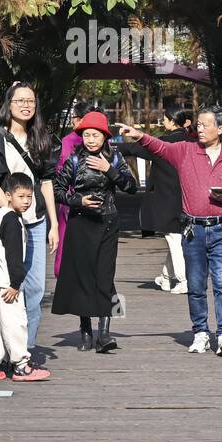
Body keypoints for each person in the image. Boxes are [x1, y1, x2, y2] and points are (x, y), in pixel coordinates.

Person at [116, 106, 222, 357]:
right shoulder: (185, 151)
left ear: (219, 129)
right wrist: (138, 135)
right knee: (197, 285)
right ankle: (200, 332)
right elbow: (159, 147)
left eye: (205, 124)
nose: (199, 128)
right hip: (193, 229)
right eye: (198, 124)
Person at [0, 82, 59, 358]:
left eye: (31, 102)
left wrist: (54, 224)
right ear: (8, 104)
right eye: (20, 100)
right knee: (10, 285)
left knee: (35, 288)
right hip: (9, 225)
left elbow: (46, 181)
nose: (26, 105)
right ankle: (12, 353)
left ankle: (27, 348)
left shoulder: (41, 138)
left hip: (36, 222)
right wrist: (11, 213)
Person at [52, 110, 137, 353]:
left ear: (104, 137)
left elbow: (131, 187)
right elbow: (58, 190)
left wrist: (109, 169)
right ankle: (86, 330)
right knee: (83, 277)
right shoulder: (74, 160)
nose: (90, 140)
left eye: (95, 135)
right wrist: (78, 201)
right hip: (80, 224)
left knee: (105, 276)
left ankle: (105, 333)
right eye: (86, 135)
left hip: (108, 223)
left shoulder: (115, 157)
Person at [0, 173, 51, 382]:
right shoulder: (13, 221)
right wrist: (16, 284)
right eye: (21, 197)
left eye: (29, 197)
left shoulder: (1, 215)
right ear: (8, 195)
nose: (26, 201)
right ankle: (21, 365)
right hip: (7, 283)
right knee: (16, 322)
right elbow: (14, 256)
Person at [120, 107, 193, 294]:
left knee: (174, 238)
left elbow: (134, 149)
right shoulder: (194, 142)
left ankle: (183, 281)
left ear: (171, 122)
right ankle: (166, 278)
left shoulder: (164, 142)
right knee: (174, 237)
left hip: (166, 197)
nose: (163, 123)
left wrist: (110, 146)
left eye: (165, 119)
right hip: (188, 197)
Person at [53, 101, 90, 278]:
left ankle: (64, 277)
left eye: (73, 118)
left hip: (71, 197)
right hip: (95, 197)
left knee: (66, 240)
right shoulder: (102, 138)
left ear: (81, 119)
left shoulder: (70, 139)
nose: (72, 122)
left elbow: (63, 169)